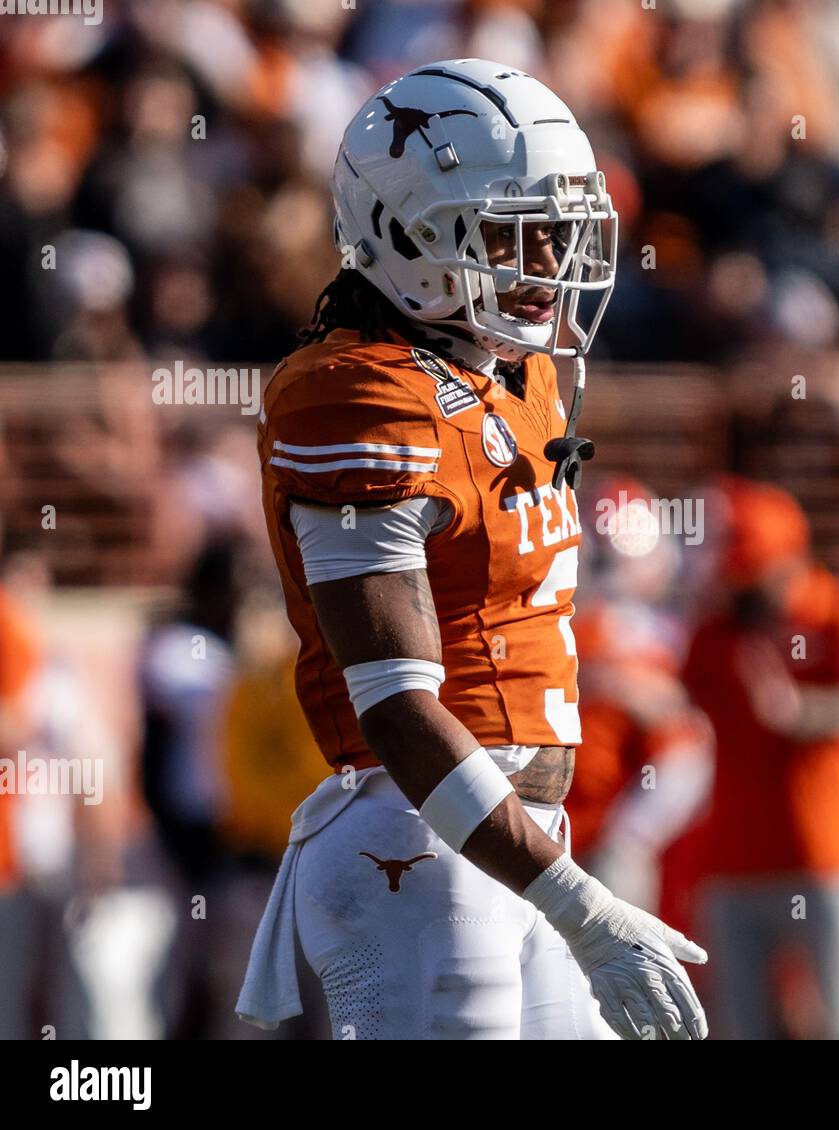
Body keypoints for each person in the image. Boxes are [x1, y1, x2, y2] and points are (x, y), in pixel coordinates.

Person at [237, 60, 706, 1041]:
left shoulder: (518, 378)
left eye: (557, 229)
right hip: (413, 845)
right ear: (404, 231)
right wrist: (577, 902)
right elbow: (397, 705)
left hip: (516, 843)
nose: (543, 260)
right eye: (508, 232)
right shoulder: (355, 391)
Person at [684, 476, 839, 1039]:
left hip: (827, 855)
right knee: (741, 1023)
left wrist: (801, 712)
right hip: (733, 858)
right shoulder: (717, 628)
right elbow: (682, 700)